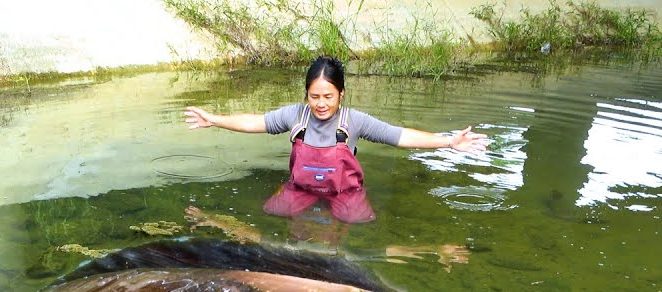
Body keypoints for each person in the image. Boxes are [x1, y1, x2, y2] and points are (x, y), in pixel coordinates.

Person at [183, 55, 489, 224]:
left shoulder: (354, 121)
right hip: (300, 186)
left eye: (328, 96)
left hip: (344, 190)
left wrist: (448, 142)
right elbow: (255, 122)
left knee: (357, 222)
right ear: (306, 95)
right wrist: (214, 119)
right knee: (272, 215)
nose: (321, 103)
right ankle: (291, 195)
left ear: (341, 94)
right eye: (314, 96)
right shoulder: (296, 116)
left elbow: (400, 136)